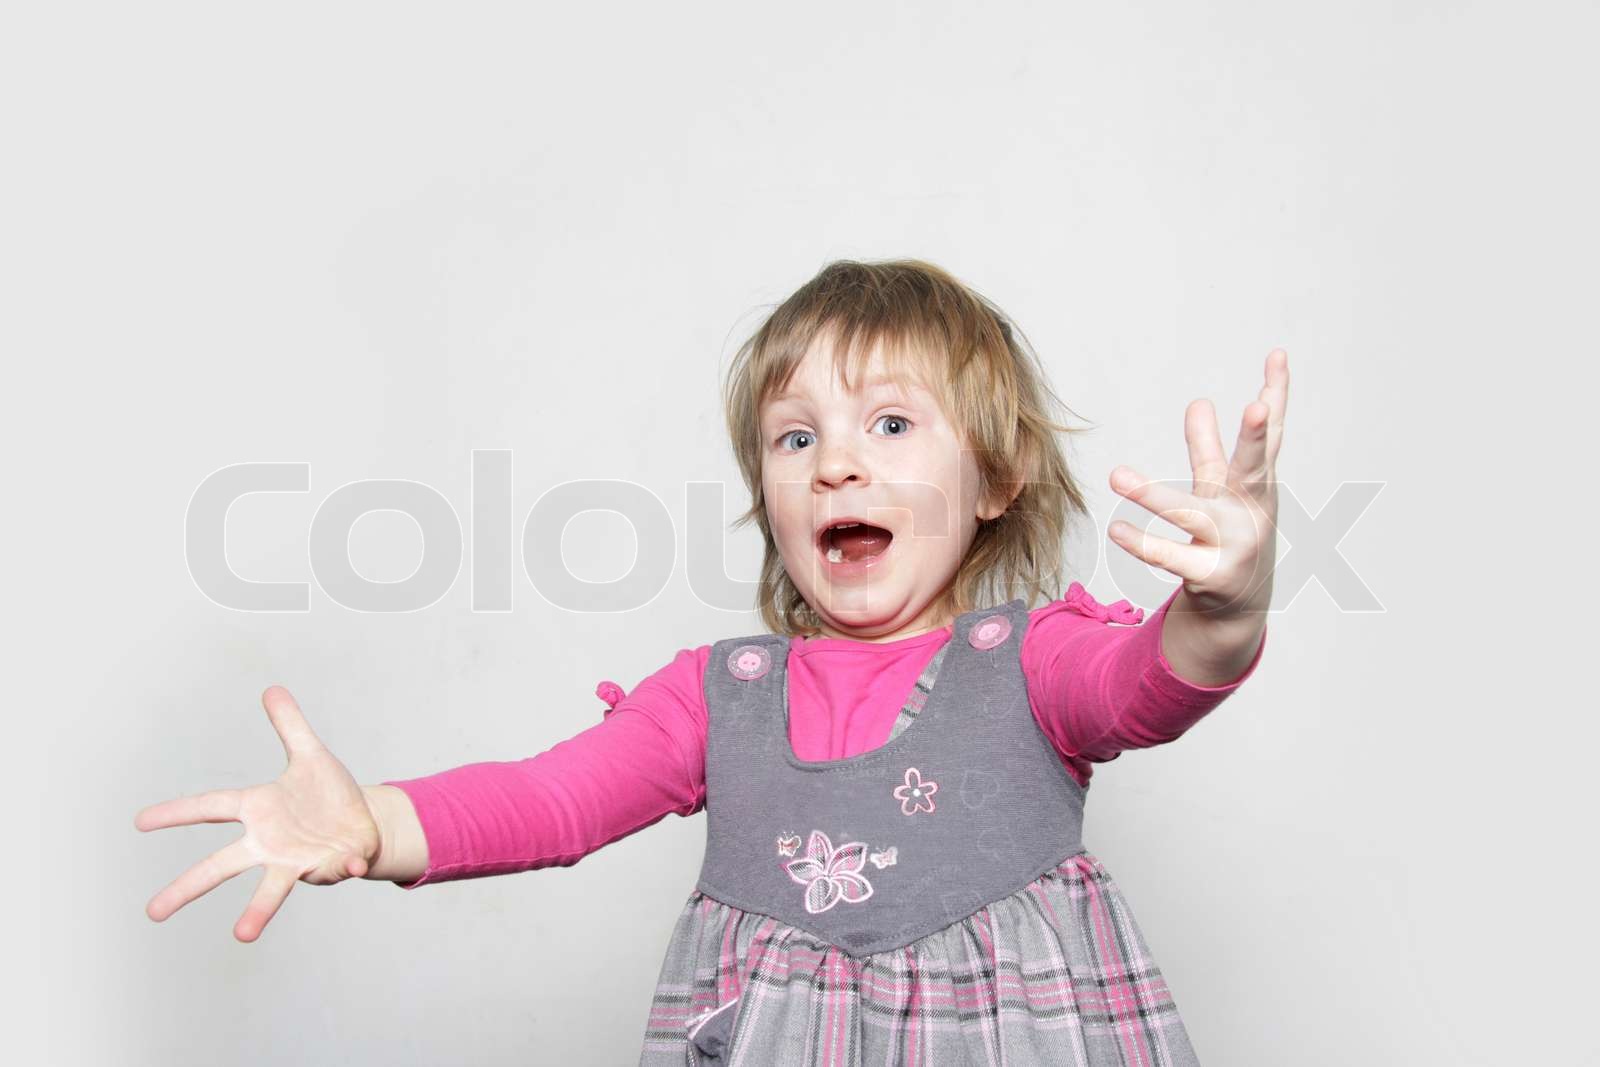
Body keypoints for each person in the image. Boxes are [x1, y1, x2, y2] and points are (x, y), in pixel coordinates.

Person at [137, 259, 1284, 1064]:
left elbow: (1152, 680)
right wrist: (374, 823)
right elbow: (551, 798)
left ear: (993, 478)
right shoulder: (716, 697)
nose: (835, 463)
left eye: (890, 424)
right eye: (797, 436)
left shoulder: (1031, 665)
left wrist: (1225, 601)